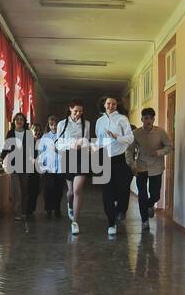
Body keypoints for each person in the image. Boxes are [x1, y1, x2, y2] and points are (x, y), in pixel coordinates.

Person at [94, 96, 134, 236]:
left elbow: (130, 138)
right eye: (108, 103)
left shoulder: (122, 119)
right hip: (103, 158)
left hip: (119, 159)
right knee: (107, 193)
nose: (111, 105)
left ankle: (120, 210)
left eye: (114, 104)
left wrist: (117, 137)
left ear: (117, 105)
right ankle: (111, 223)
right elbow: (98, 140)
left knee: (123, 189)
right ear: (104, 104)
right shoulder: (99, 121)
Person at [129, 106, 173, 233]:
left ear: (154, 119)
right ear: (142, 119)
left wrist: (158, 152)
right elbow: (129, 151)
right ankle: (144, 221)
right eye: (146, 118)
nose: (148, 121)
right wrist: (132, 165)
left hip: (156, 167)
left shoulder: (160, 132)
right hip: (141, 167)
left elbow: (169, 147)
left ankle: (150, 205)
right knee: (142, 195)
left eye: (151, 118)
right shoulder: (136, 133)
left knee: (155, 195)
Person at [54, 99, 94, 235]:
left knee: (77, 190)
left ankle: (75, 222)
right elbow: (58, 143)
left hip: (82, 157)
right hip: (68, 157)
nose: (78, 113)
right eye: (76, 111)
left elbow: (87, 141)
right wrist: (71, 144)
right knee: (71, 191)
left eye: (81, 111)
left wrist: (86, 146)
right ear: (70, 109)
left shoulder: (86, 124)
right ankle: (69, 204)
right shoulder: (62, 124)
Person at [0, 112, 38, 220]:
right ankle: (17, 213)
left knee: (25, 189)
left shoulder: (28, 133)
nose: (19, 121)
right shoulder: (10, 133)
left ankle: (24, 211)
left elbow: (33, 148)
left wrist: (34, 158)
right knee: (16, 190)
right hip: (13, 164)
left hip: (26, 164)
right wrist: (1, 158)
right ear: (14, 122)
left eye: (21, 119)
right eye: (17, 119)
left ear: (24, 121)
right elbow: (6, 147)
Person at [36, 115, 64, 216]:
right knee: (48, 189)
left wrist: (59, 150)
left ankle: (57, 208)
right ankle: (48, 208)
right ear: (48, 125)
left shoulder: (62, 135)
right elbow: (41, 151)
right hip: (48, 168)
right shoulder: (45, 136)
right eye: (51, 125)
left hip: (61, 168)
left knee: (59, 189)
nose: (54, 127)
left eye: (55, 125)